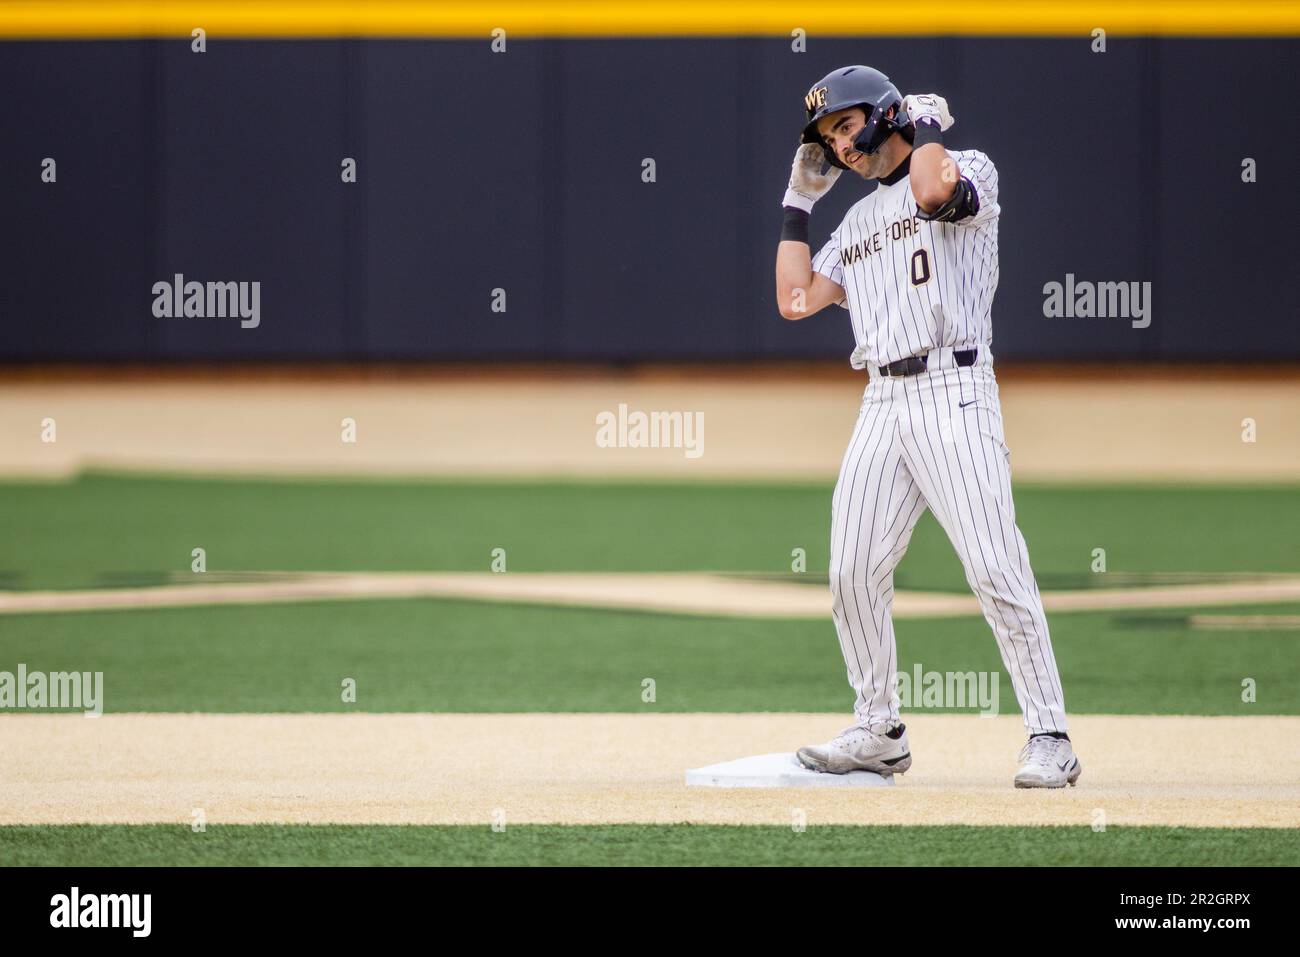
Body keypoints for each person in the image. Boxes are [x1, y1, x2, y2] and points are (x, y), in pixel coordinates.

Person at [774, 65, 1081, 789]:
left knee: (993, 564)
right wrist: (796, 201)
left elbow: (934, 190)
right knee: (851, 568)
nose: (840, 148)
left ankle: (1050, 733)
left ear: (886, 112)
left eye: (847, 126)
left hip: (954, 387)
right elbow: (793, 298)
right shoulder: (853, 223)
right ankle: (878, 729)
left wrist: (926, 129)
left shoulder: (965, 165)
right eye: (828, 138)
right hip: (882, 400)